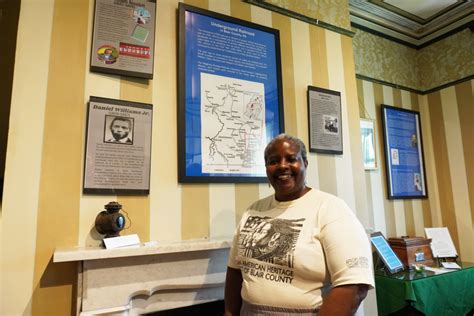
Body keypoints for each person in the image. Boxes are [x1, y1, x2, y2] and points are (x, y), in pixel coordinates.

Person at [225, 134, 374, 315]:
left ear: (304, 163)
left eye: (291, 159)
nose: (282, 165)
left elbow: (355, 285)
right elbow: (235, 271)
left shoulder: (331, 209)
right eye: (273, 161)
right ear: (266, 169)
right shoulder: (253, 211)